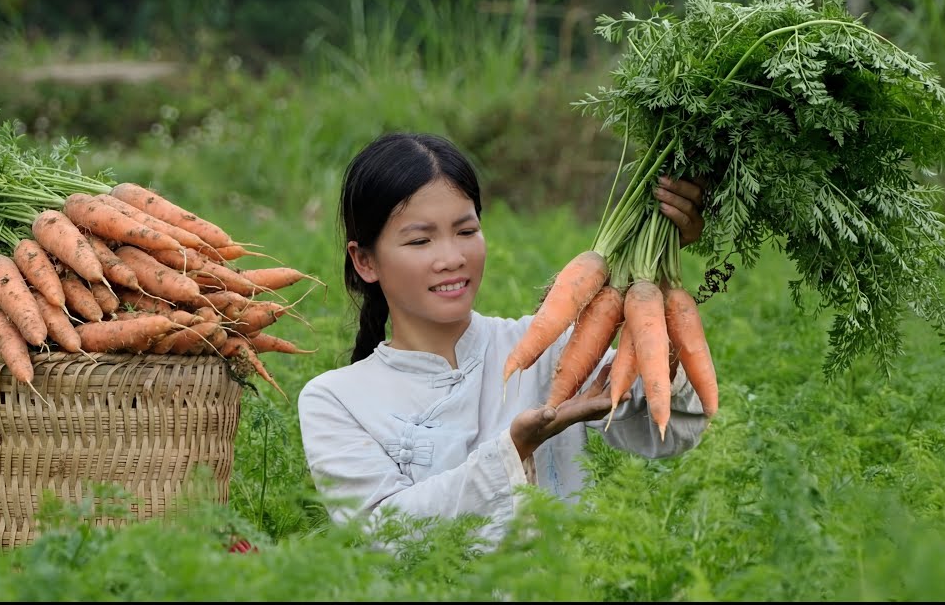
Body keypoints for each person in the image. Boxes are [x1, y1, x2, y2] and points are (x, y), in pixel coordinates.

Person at [297, 131, 712, 548]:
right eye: (421, 240)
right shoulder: (335, 400)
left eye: (465, 231)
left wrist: (658, 271)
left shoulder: (550, 351)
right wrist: (516, 446)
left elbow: (672, 430)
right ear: (365, 260)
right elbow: (386, 536)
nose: (452, 258)